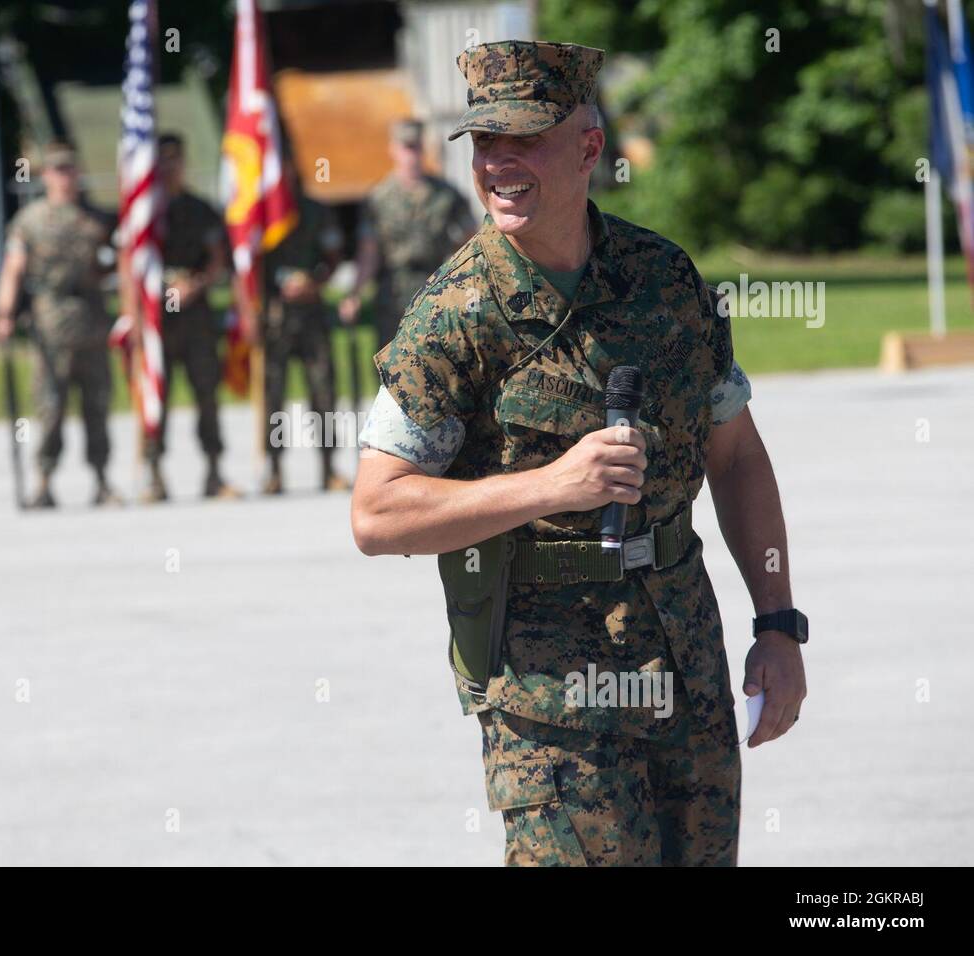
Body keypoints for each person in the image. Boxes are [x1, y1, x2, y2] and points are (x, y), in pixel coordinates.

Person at [350, 40, 808, 866]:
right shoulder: (452, 314)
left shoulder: (665, 280)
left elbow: (736, 455)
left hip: (686, 668)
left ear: (589, 146)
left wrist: (778, 623)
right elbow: (377, 514)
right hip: (551, 706)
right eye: (486, 142)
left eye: (524, 138)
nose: (500, 163)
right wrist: (549, 486)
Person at [0, 141, 119, 509]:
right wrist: (5, 314)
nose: (65, 177)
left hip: (93, 325)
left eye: (70, 170)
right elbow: (13, 269)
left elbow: (119, 263)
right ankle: (45, 481)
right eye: (58, 170)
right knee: (51, 408)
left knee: (97, 407)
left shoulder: (97, 219)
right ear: (46, 175)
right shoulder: (30, 222)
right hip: (50, 327)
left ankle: (101, 480)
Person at [143, 132, 238, 502]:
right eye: (162, 159)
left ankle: (214, 472)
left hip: (196, 318)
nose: (170, 167)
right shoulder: (144, 210)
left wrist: (195, 284)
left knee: (206, 395)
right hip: (157, 322)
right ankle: (154, 475)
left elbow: (218, 257)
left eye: (175, 159)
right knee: (157, 397)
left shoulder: (200, 209)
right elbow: (130, 263)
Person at [338, 118, 478, 349]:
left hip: (435, 289)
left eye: (415, 147)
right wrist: (354, 293)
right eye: (405, 147)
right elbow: (369, 252)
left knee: (438, 363)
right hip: (392, 293)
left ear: (423, 148)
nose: (410, 155)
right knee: (393, 370)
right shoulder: (379, 199)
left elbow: (470, 241)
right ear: (392, 149)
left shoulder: (447, 195)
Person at [260, 169, 348, 494]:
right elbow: (248, 261)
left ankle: (328, 468)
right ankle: (273, 469)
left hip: (312, 316)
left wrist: (315, 283)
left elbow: (335, 256)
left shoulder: (316, 209)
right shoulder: (261, 210)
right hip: (275, 319)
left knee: (323, 393)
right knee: (273, 396)